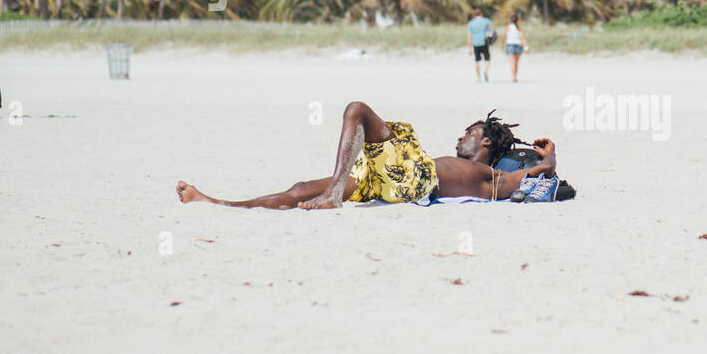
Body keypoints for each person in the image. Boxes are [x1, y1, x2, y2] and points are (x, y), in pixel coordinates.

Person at [175, 103, 557, 209]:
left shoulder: (489, 179)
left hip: (412, 174)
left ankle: (333, 194)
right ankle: (216, 202)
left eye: (470, 133)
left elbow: (536, 175)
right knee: (301, 187)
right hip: (388, 179)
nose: (461, 137)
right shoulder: (472, 171)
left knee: (357, 110)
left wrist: (548, 160)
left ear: (488, 143)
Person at [467, 6, 494, 82]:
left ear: (474, 15)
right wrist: (491, 41)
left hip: (475, 43)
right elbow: (491, 31)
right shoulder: (486, 21)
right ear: (481, 14)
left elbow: (469, 36)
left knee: (477, 61)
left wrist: (469, 48)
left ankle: (478, 78)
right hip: (484, 42)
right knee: (487, 59)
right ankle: (485, 71)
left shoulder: (471, 23)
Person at [504, 11, 527, 82]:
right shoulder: (519, 28)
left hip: (510, 45)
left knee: (512, 62)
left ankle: (513, 76)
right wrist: (526, 47)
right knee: (516, 63)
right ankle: (515, 76)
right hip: (518, 46)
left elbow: (503, 36)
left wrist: (502, 44)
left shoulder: (508, 27)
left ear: (510, 20)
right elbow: (523, 38)